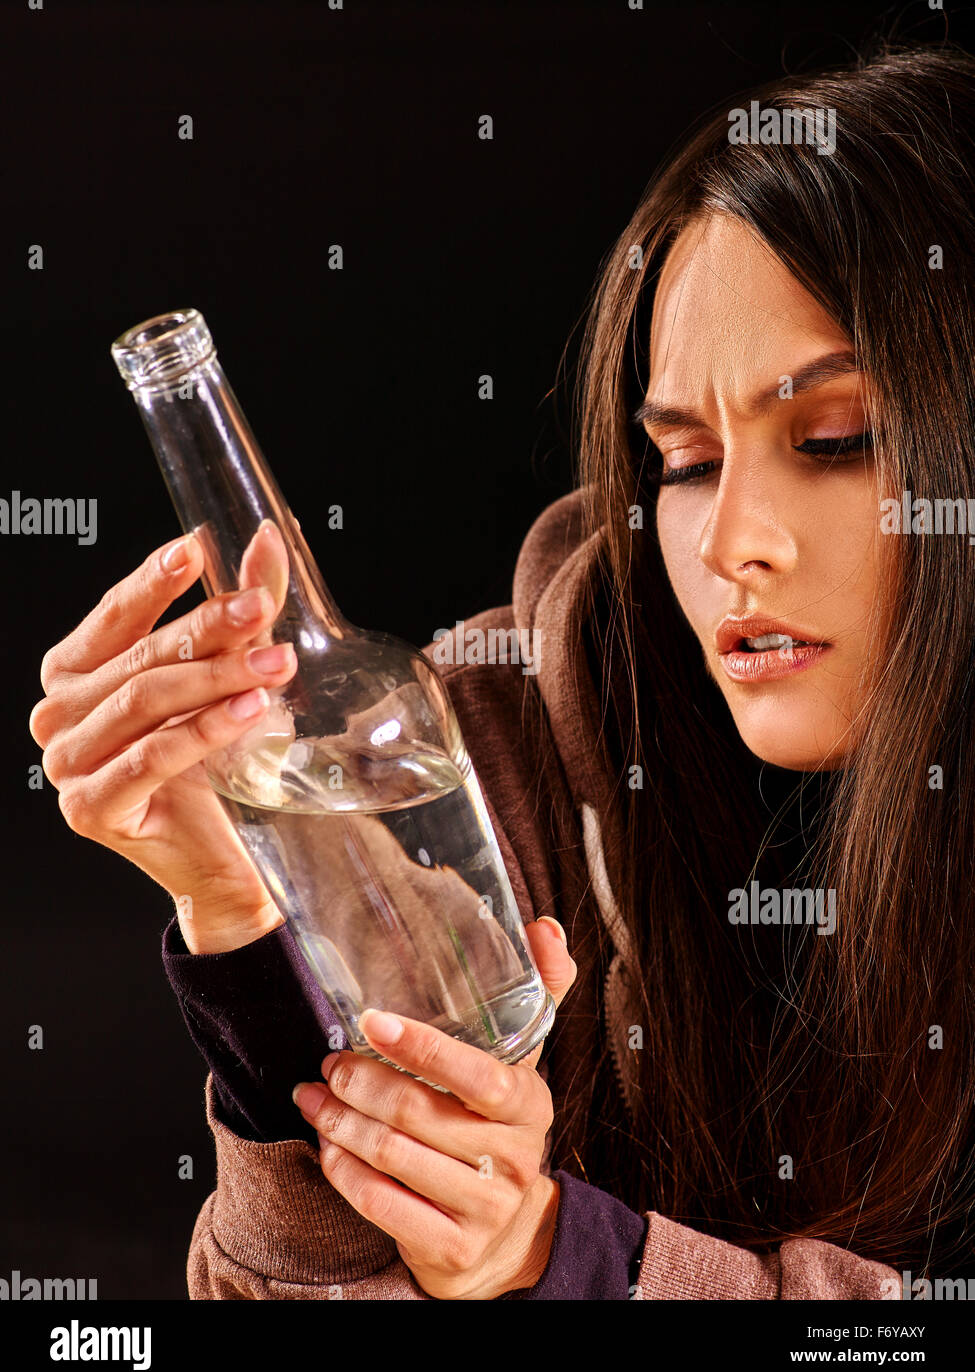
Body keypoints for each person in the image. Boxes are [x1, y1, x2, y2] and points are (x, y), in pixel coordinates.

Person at [29, 37, 975, 1299]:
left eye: (837, 439)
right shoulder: (484, 750)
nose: (732, 540)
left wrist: (564, 1260)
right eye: (685, 463)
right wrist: (247, 934)